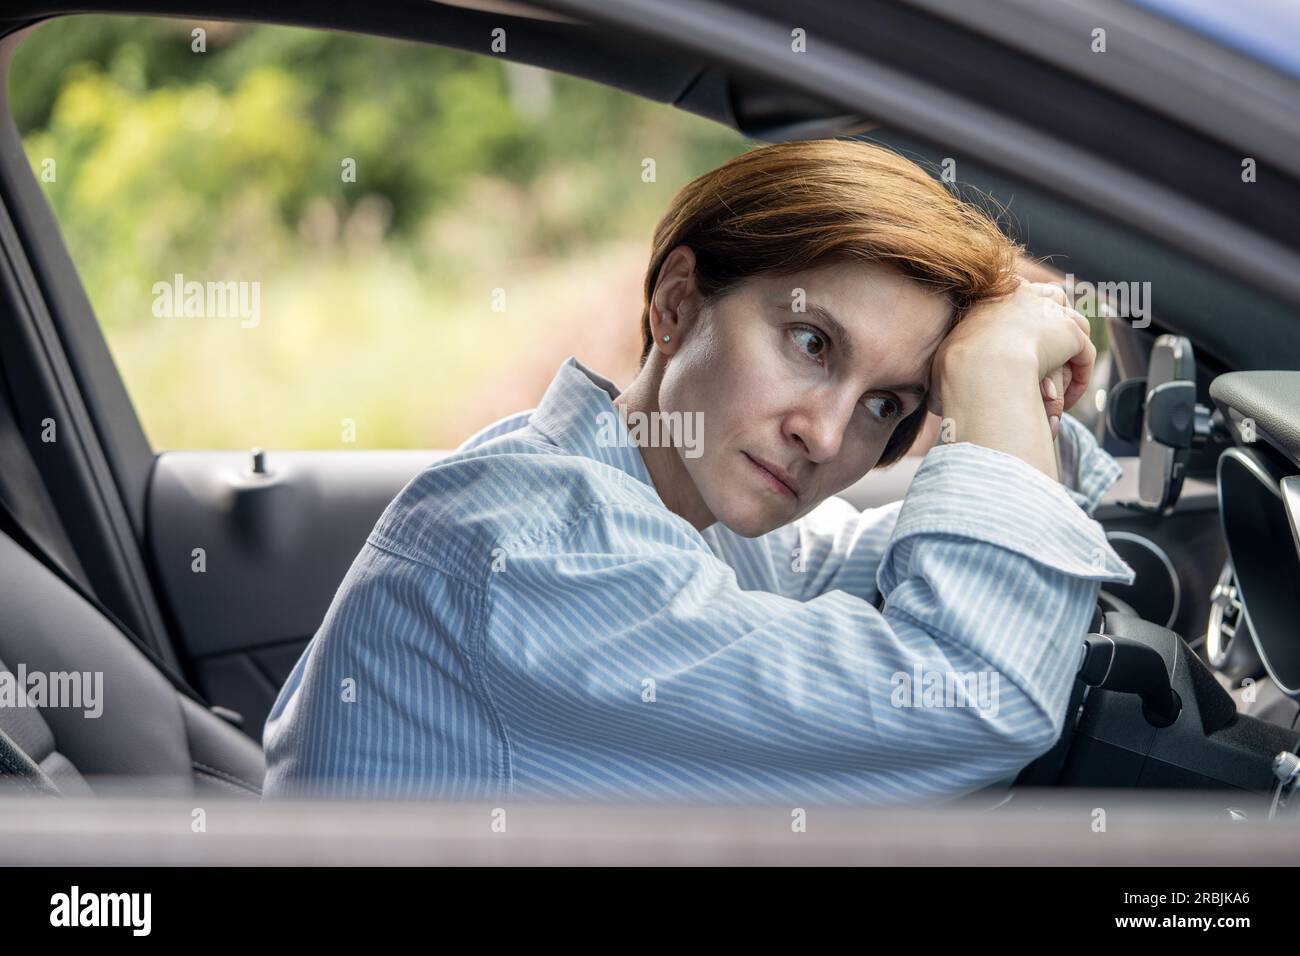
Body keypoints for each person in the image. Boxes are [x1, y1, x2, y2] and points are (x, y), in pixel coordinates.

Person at [262, 138, 1134, 805]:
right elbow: (971, 701)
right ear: (677, 302)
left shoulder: (655, 493)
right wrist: (992, 378)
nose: (826, 435)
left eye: (887, 404)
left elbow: (851, 561)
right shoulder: (541, 550)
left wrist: (1015, 407)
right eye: (811, 343)